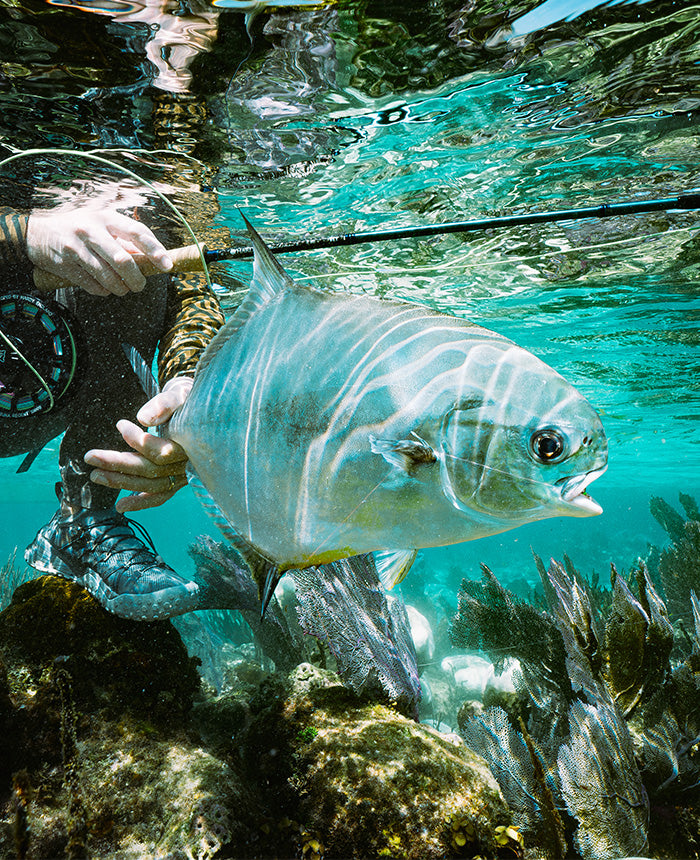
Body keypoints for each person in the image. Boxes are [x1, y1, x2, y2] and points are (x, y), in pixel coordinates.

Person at [0, 196, 226, 619]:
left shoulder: (165, 181)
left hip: (43, 390)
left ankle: (82, 518)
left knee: (126, 256)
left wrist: (190, 384)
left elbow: (191, 290)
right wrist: (25, 235)